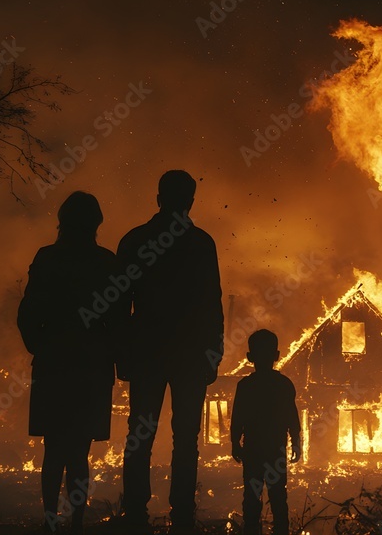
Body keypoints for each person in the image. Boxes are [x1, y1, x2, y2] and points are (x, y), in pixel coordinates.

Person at [116, 170, 224, 531]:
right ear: (190, 202)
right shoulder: (201, 244)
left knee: (140, 433)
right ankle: (182, 511)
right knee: (186, 436)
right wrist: (213, 353)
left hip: (147, 351)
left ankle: (134, 510)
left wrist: (123, 354)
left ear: (158, 198)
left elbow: (119, 305)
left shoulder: (135, 240)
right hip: (190, 354)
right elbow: (212, 305)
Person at [17, 191, 119, 533]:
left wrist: (41, 347)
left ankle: (51, 521)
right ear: (96, 224)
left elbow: (28, 313)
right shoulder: (106, 262)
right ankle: (75, 522)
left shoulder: (47, 258)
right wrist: (112, 355)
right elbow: (119, 317)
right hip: (92, 367)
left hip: (54, 363)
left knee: (54, 450)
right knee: (79, 452)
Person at [231, 329, 301, 535]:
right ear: (277, 356)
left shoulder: (245, 386)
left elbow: (237, 418)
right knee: (279, 496)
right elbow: (292, 418)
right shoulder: (284, 385)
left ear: (249, 357)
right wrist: (296, 442)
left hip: (252, 451)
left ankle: (252, 530)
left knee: (252, 497)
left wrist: (235, 442)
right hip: (275, 451)